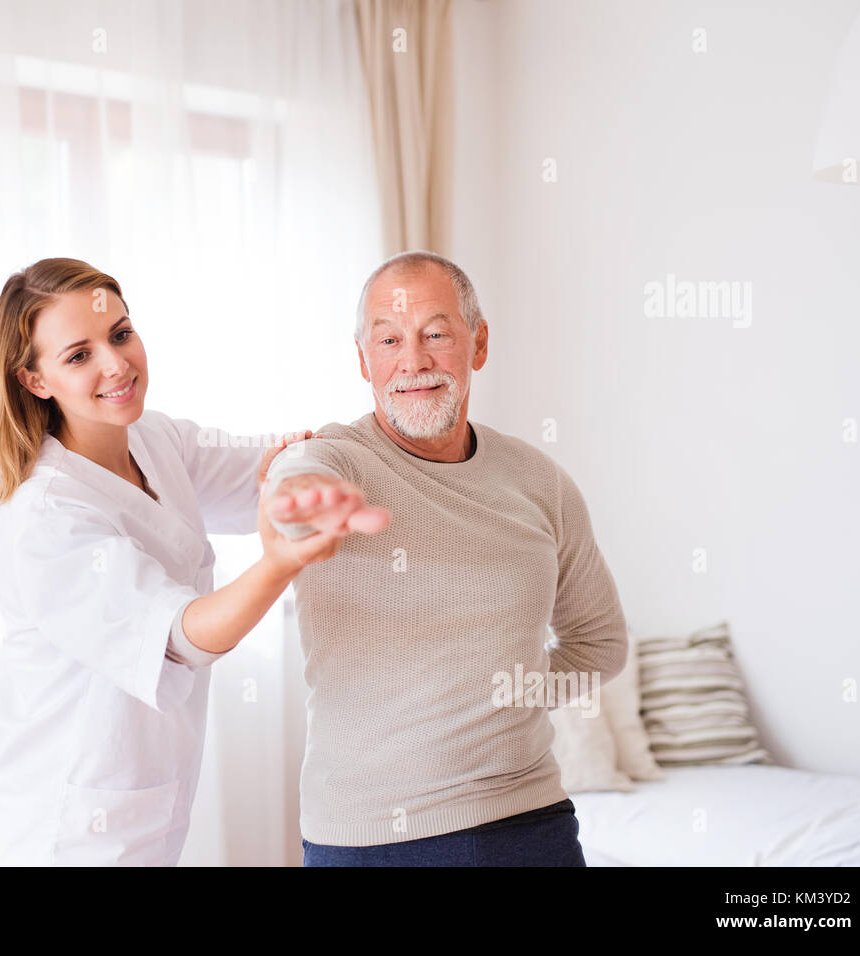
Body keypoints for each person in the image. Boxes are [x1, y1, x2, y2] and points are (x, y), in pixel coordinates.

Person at [0, 257, 387, 866]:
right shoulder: (47, 518)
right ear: (34, 380)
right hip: (60, 826)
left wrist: (318, 477)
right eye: (79, 355)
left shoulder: (155, 439)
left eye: (120, 334)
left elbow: (263, 472)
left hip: (138, 803)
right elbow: (179, 638)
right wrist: (279, 562)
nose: (116, 364)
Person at [263, 250, 628, 867]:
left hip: (528, 821)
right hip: (367, 837)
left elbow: (599, 643)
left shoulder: (539, 481)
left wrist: (504, 695)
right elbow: (295, 487)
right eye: (389, 339)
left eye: (436, 334)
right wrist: (297, 497)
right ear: (362, 360)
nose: (414, 361)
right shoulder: (336, 457)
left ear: (478, 343)